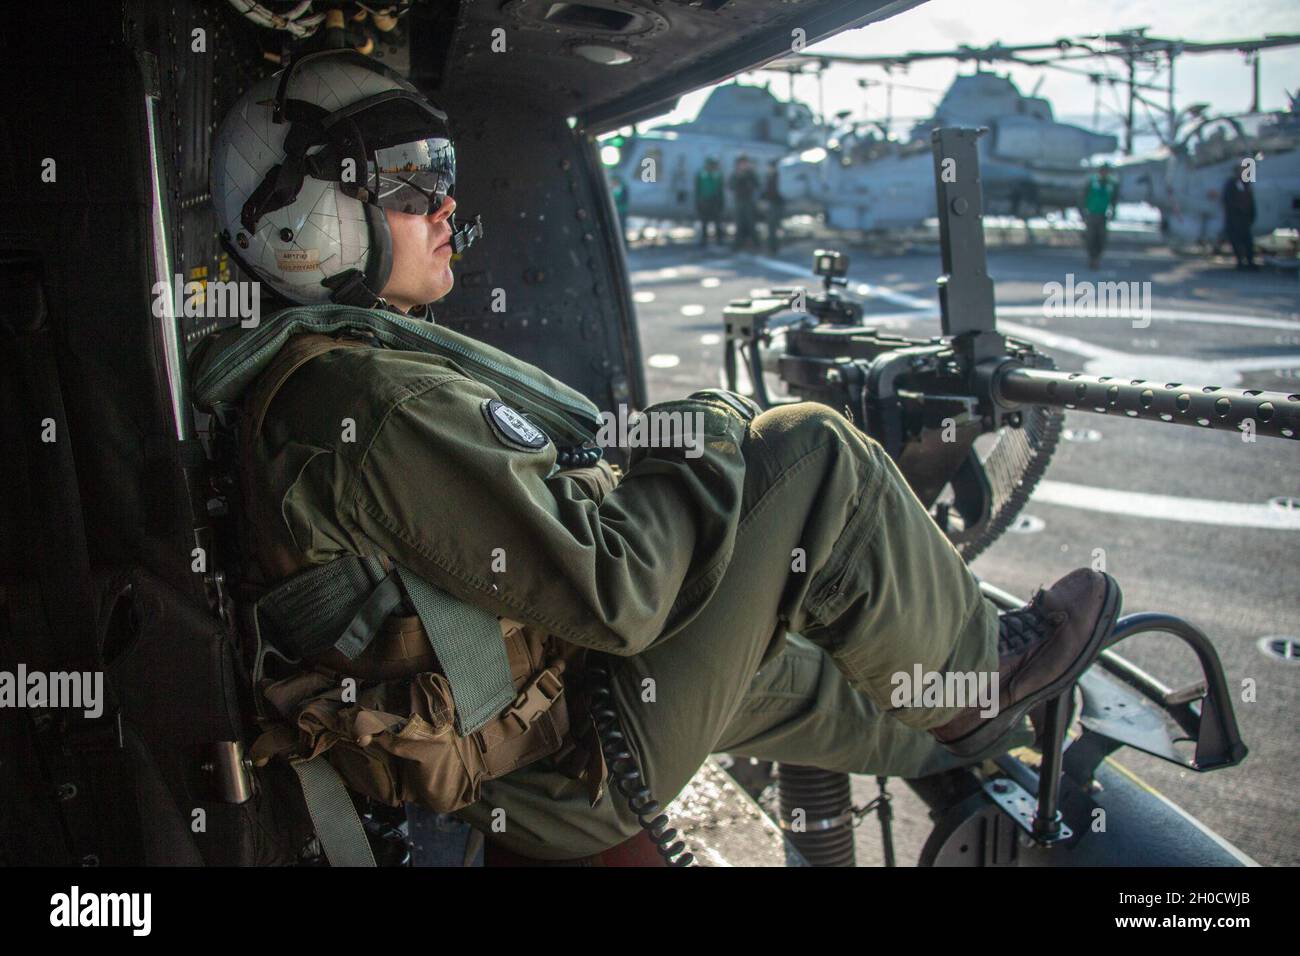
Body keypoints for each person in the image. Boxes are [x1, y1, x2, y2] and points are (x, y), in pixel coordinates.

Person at [203, 50, 1123, 862]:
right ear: (310, 220)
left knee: (782, 655)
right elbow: (619, 590)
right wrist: (716, 426)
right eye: (404, 179)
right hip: (545, 778)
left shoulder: (340, 369)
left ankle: (980, 732)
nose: (444, 201)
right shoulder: (370, 401)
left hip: (531, 724)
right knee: (807, 459)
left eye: (438, 168)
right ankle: (985, 682)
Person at [1079, 163, 1119, 269]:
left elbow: (1114, 199)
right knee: (1090, 238)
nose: (1104, 173)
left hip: (1103, 215)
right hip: (1091, 214)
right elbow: (1083, 196)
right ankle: (1092, 258)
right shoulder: (1091, 182)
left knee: (1101, 239)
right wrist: (1082, 212)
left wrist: (1113, 211)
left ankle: (1097, 258)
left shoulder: (1112, 184)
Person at [1222, 160, 1257, 270]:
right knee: (1237, 241)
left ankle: (1249, 262)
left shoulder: (1246, 184)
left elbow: (1250, 201)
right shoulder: (1232, 183)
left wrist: (1251, 215)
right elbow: (1228, 200)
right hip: (1235, 218)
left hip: (1244, 218)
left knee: (1247, 241)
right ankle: (1240, 262)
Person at [729, 154, 761, 251]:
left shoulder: (751, 173)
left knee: (751, 223)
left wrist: (749, 181)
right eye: (741, 163)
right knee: (739, 223)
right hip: (739, 200)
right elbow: (731, 186)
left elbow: (757, 184)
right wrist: (739, 178)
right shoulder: (735, 174)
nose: (743, 165)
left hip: (749, 201)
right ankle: (738, 244)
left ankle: (756, 244)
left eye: (745, 163)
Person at [694, 157, 725, 247]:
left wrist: (721, 202)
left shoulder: (718, 175)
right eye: (711, 164)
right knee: (704, 222)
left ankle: (719, 240)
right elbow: (697, 189)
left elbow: (720, 190)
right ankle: (704, 240)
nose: (712, 166)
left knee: (718, 222)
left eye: (713, 164)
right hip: (704, 201)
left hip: (715, 201)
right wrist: (698, 202)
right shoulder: (701, 174)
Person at [761, 159, 785, 254]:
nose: (769, 169)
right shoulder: (768, 177)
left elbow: (779, 192)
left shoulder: (778, 178)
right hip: (770, 204)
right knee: (771, 228)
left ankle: (773, 248)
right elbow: (765, 191)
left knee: (773, 227)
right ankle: (771, 247)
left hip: (776, 204)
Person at [609, 174, 629, 246]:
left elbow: (623, 199)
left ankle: (624, 244)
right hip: (614, 212)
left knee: (621, 228)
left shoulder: (623, 188)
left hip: (621, 211)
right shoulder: (611, 189)